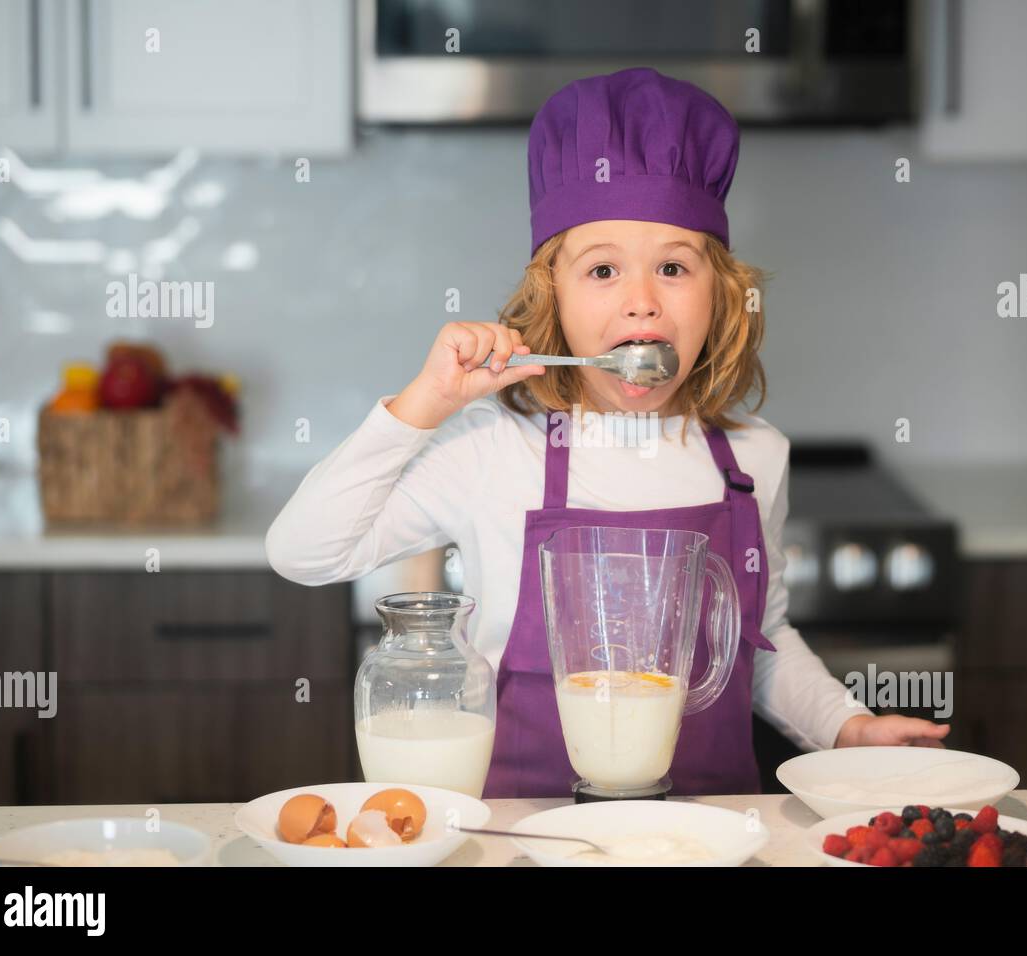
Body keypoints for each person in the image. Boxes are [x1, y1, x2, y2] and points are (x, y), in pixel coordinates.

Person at [266, 67, 949, 798]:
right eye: (601, 270)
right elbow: (305, 551)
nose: (641, 303)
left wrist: (846, 725)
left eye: (673, 267)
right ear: (549, 299)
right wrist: (425, 403)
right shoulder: (493, 447)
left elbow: (762, 645)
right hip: (521, 838)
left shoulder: (753, 457)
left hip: (705, 836)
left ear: (720, 297)